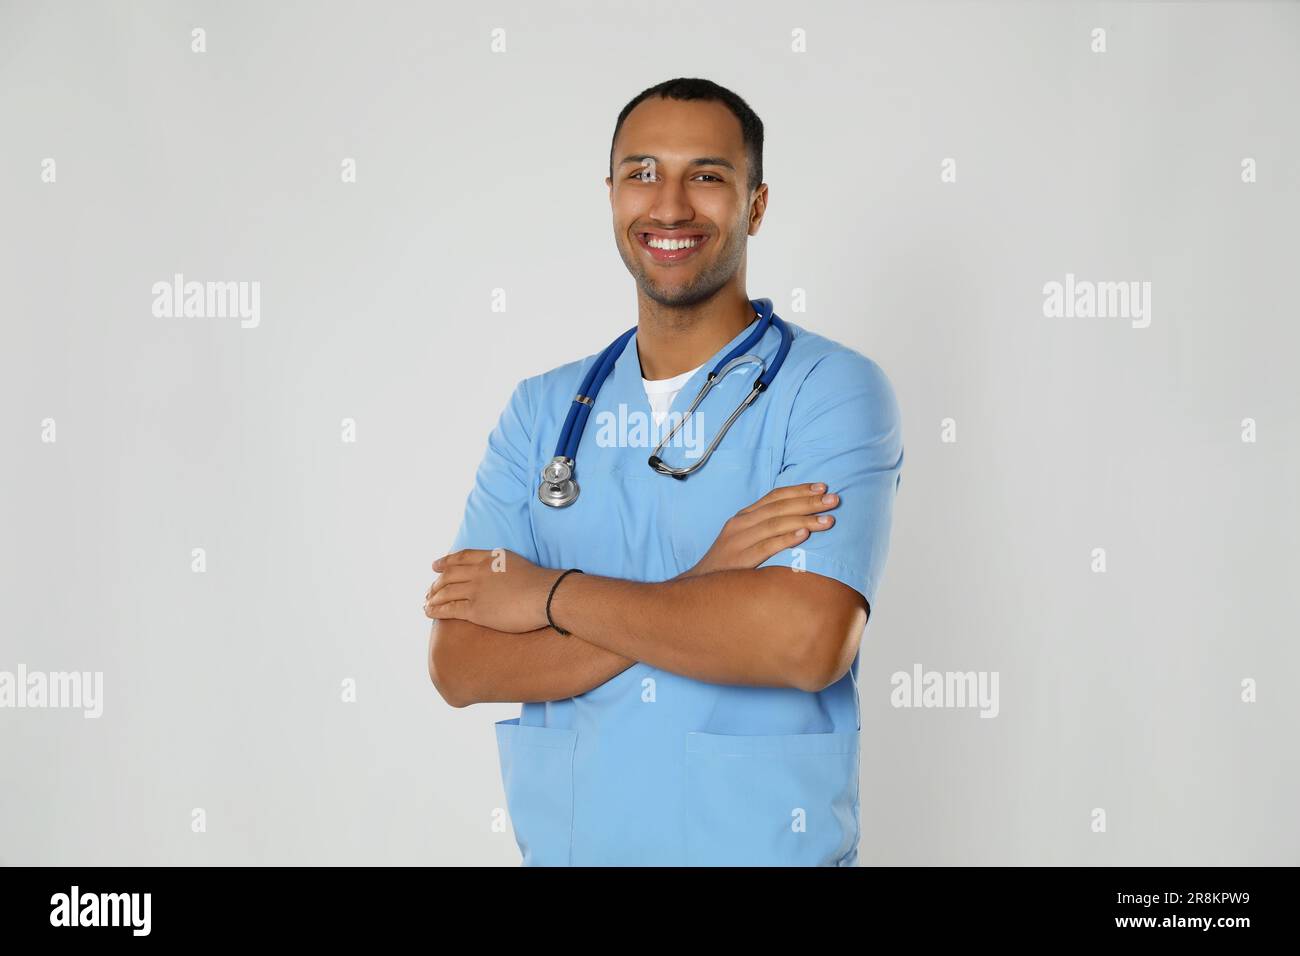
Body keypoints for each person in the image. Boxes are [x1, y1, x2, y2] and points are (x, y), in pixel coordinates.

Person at [424, 77, 904, 866]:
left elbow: (808, 640)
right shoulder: (542, 412)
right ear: (611, 193)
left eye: (707, 175)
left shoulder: (829, 391)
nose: (671, 205)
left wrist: (548, 596)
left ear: (755, 205)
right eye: (642, 173)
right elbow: (461, 663)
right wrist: (709, 583)